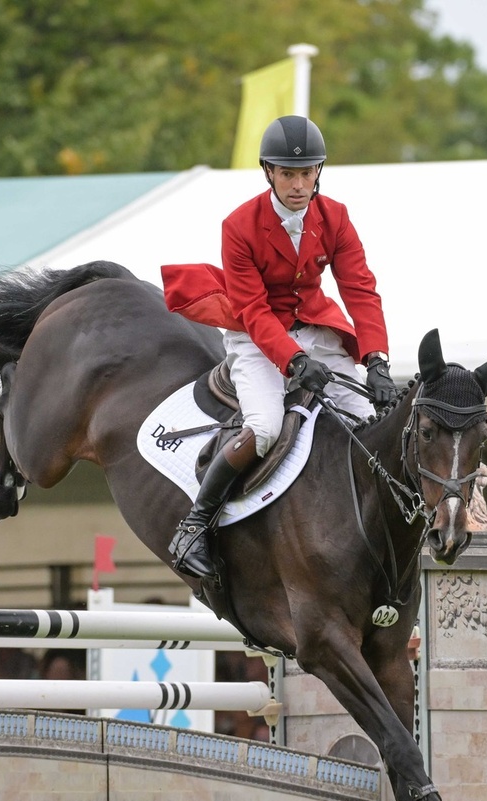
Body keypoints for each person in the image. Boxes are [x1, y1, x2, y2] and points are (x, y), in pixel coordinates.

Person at [164, 115, 388, 581]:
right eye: (288, 173)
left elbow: (360, 289)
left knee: (367, 419)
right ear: (269, 172)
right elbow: (252, 309)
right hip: (255, 334)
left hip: (315, 328)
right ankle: (195, 525)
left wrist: (377, 361)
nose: (299, 184)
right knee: (264, 428)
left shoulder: (335, 217)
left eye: (308, 173)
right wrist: (293, 360)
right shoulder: (240, 225)